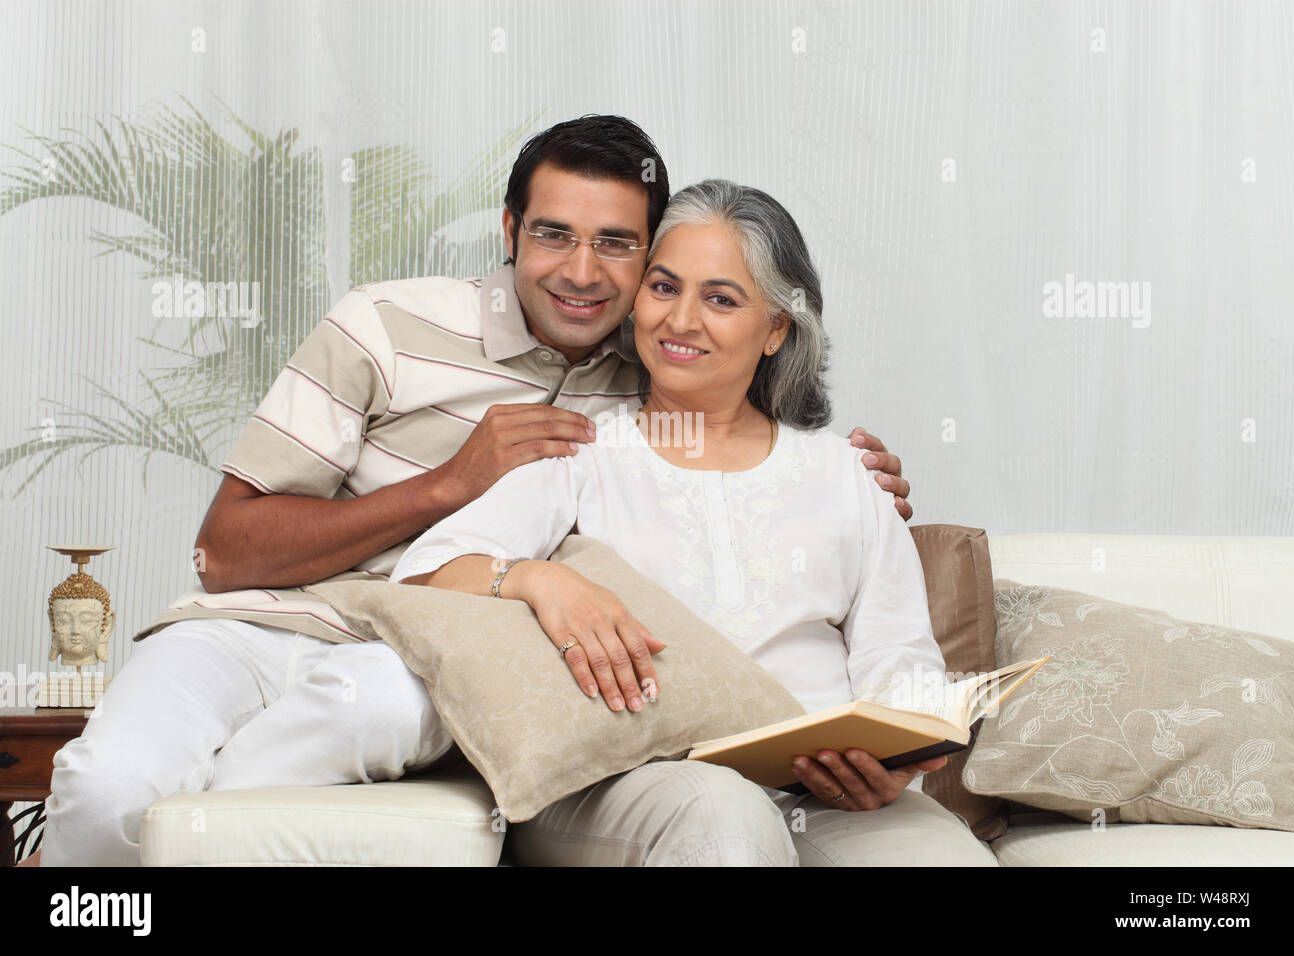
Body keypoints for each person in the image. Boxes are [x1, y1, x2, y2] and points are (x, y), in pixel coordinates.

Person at [37, 115, 914, 867]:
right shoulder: (384, 323)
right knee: (108, 786)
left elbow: (740, 442)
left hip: (416, 657)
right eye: (553, 234)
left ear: (650, 258)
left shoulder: (652, 363)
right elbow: (226, 551)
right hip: (264, 624)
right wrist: (448, 485)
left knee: (378, 703)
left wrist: (855, 480)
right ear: (509, 229)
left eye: (616, 245)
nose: (581, 271)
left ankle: (183, 840)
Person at [392, 179, 998, 866]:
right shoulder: (581, 454)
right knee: (725, 822)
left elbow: (898, 652)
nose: (680, 321)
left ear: (777, 328)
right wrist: (537, 580)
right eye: (663, 287)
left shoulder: (844, 475)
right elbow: (424, 573)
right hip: (627, 781)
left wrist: (896, 756)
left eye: (720, 298)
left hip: (820, 789)